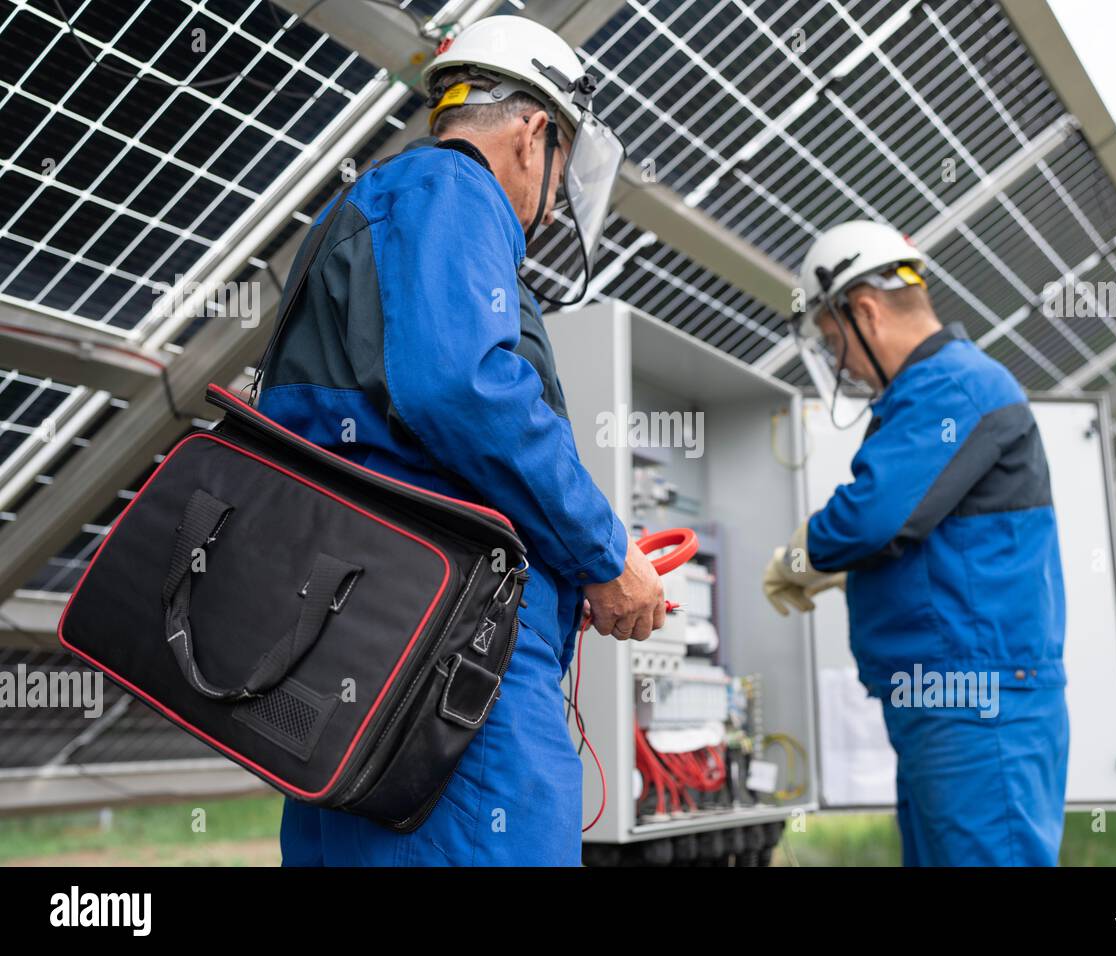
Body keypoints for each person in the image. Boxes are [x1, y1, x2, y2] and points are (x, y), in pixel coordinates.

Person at [260, 15, 664, 866]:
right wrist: (604, 553)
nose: (552, 209)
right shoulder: (450, 189)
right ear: (532, 133)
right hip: (450, 667)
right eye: (556, 182)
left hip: (363, 649)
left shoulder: (374, 210)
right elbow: (461, 386)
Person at [764, 220, 1069, 866]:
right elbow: (926, 536)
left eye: (832, 340)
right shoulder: (946, 389)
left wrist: (802, 554)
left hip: (976, 710)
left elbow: (874, 517)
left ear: (865, 312)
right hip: (950, 707)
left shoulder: (952, 386)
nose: (839, 363)